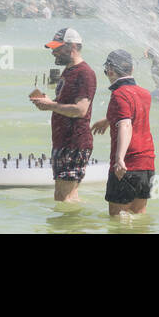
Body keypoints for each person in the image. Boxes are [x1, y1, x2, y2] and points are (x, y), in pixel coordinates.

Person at [29, 28, 96, 203]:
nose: (53, 52)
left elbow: (81, 110)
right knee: (62, 196)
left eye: (57, 48)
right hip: (62, 141)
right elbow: (65, 104)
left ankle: (78, 227)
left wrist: (51, 105)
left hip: (75, 142)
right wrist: (49, 102)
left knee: (65, 197)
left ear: (72, 46)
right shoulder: (68, 70)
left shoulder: (85, 73)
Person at [89, 49, 155, 217]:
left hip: (127, 165)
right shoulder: (145, 94)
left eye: (106, 70)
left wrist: (119, 159)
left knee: (117, 218)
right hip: (147, 165)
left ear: (110, 70)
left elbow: (126, 124)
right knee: (139, 215)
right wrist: (108, 120)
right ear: (131, 70)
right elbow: (134, 115)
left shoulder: (119, 95)